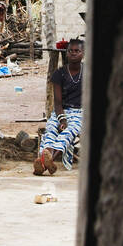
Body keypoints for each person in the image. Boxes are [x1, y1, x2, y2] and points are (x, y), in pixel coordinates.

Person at [35, 36, 84, 174]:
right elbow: (57, 101)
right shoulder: (59, 73)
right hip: (61, 111)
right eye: (70, 51)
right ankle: (48, 160)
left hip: (81, 113)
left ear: (83, 53)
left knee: (69, 131)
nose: (73, 53)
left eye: (77, 51)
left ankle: (45, 163)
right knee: (51, 129)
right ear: (66, 53)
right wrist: (62, 118)